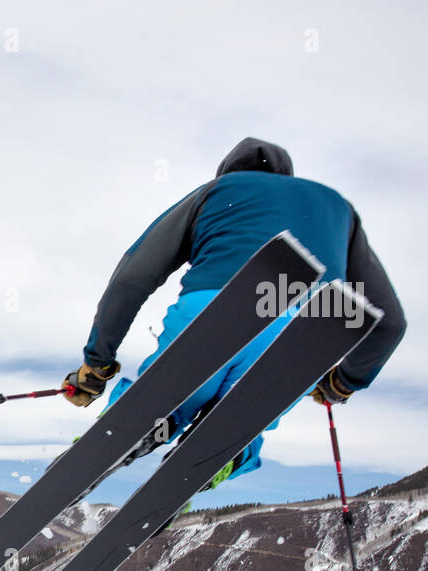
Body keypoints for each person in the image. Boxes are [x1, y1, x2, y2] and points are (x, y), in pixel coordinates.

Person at [62, 137, 407, 490]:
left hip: (208, 318)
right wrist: (342, 383)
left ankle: (127, 430)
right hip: (298, 340)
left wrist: (97, 365)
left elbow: (132, 278)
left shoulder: (216, 192)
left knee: (162, 405)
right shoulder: (339, 209)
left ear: (228, 173)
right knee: (241, 423)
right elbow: (390, 322)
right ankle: (225, 457)